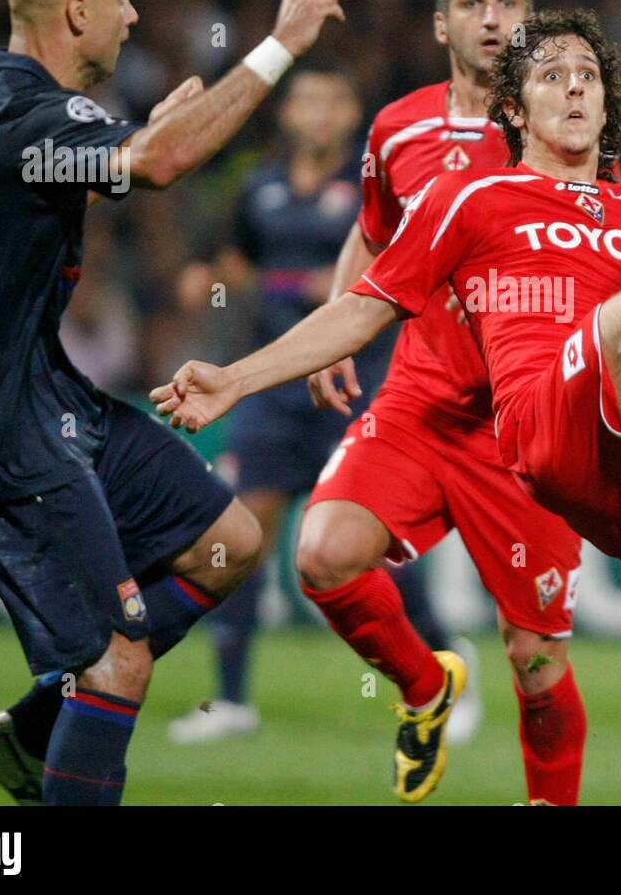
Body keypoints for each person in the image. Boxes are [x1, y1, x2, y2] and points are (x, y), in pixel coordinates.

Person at [151, 7, 621, 806]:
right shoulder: (473, 198)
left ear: (608, 106)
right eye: (551, 75)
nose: (573, 89)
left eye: (588, 76)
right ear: (514, 109)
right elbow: (362, 309)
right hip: (543, 426)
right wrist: (236, 377)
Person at [0, 0, 347, 804]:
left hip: (44, 395)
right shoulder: (18, 115)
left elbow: (138, 150)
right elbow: (159, 160)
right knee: (118, 664)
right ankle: (74, 717)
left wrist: (156, 132)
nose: (134, 14)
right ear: (77, 10)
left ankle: (40, 733)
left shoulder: (16, 106)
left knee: (230, 544)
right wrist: (278, 46)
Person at [300, 0, 580, 803]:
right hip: (421, 399)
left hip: (526, 423)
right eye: (471, 2)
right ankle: (426, 687)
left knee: (535, 660)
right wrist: (338, 331)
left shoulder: (564, 127)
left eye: (508, 2)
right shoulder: (397, 128)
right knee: (322, 557)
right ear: (440, 23)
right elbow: (375, 235)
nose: (492, 18)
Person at [167, 67, 393, 743]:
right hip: (271, 388)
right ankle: (232, 701)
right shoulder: (259, 186)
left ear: (352, 112)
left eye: (331, 97)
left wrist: (340, 282)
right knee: (243, 538)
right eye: (305, 100)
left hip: (355, 385)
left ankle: (437, 665)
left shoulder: (371, 190)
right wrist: (205, 279)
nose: (317, 112)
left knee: (371, 543)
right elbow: (231, 262)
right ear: (289, 114)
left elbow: (397, 274)